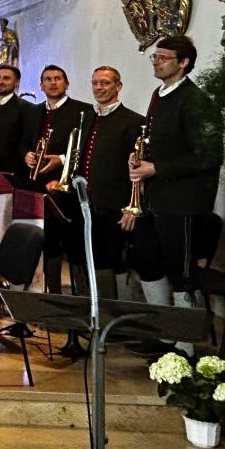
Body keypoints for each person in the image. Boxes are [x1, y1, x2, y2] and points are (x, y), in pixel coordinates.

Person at [128, 36, 224, 358]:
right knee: (147, 261)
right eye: (154, 57)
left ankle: (185, 347)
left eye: (164, 58)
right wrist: (140, 159)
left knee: (180, 273)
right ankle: (165, 333)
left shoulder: (196, 101)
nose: (156, 62)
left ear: (183, 63)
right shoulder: (159, 94)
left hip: (183, 203)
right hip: (154, 199)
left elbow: (210, 156)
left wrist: (156, 168)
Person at [59, 66, 143, 301]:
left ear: (118, 86)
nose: (99, 87)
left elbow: (138, 170)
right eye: (95, 83)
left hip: (111, 205)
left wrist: (132, 206)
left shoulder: (133, 121)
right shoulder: (86, 118)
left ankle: (108, 312)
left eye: (105, 83)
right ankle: (85, 307)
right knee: (78, 258)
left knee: (106, 262)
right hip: (80, 203)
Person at [23, 65, 91, 294]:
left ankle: (81, 296)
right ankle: (52, 292)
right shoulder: (33, 111)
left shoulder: (82, 111)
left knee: (73, 245)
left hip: (66, 189)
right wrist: (26, 155)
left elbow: (84, 148)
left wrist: (61, 160)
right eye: (48, 79)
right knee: (48, 242)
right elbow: (23, 142)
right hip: (38, 187)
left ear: (66, 83)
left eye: (58, 78)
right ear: (41, 85)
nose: (53, 83)